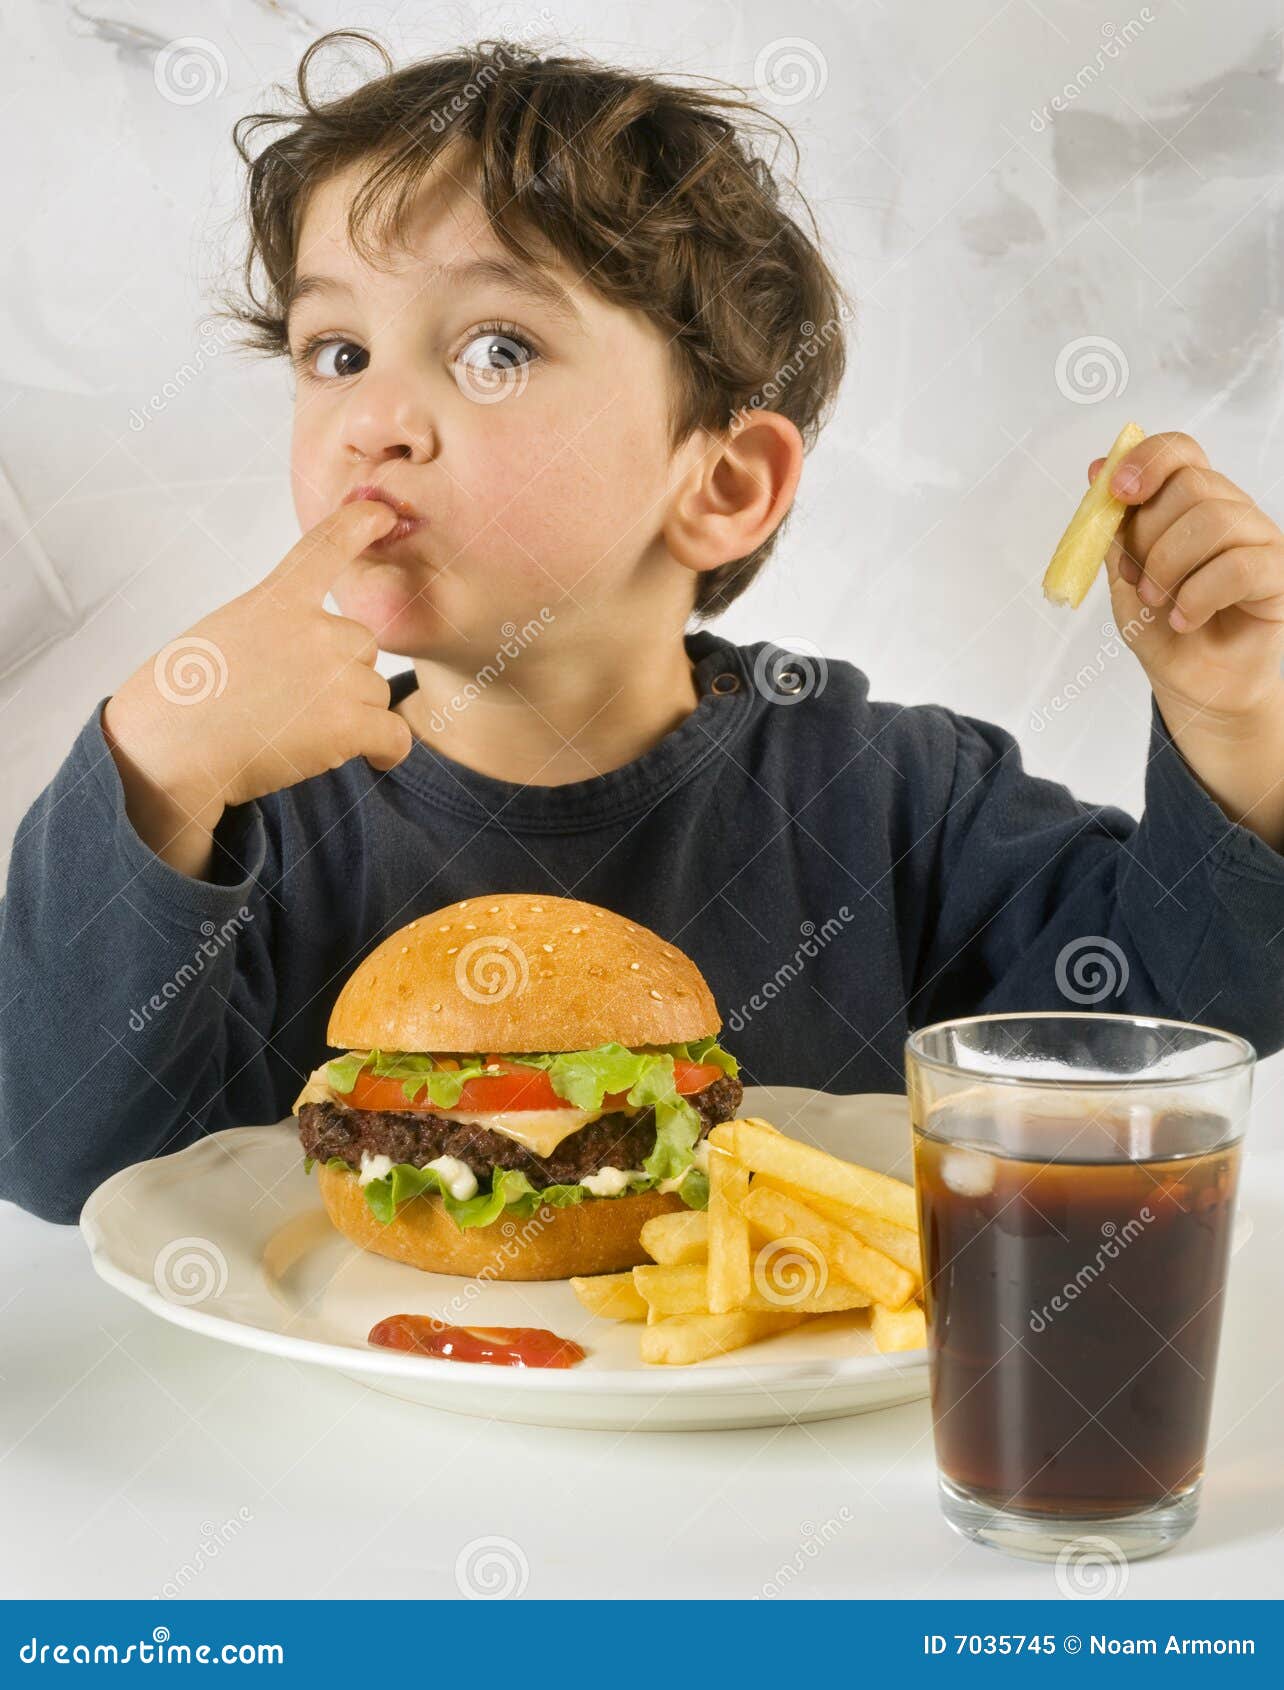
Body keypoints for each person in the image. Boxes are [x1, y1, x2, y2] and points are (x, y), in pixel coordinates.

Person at [2, 35, 1282, 1225]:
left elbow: (1166, 1048)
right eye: (336, 350)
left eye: (494, 347)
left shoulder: (899, 801)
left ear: (721, 483)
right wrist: (158, 767)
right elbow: (65, 1166)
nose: (374, 418)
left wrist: (1241, 730)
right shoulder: (254, 824)